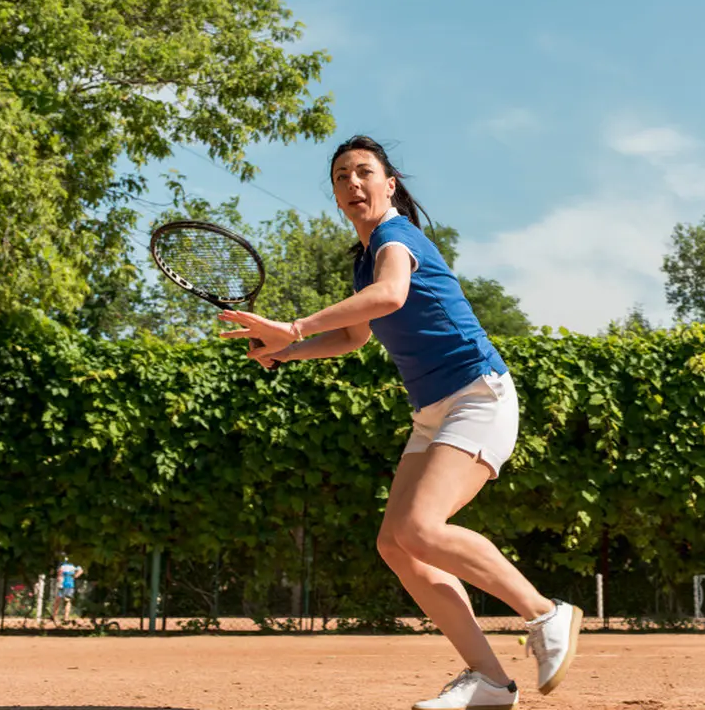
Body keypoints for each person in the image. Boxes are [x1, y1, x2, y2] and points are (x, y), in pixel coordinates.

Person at [218, 135, 582, 709]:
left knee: (420, 527)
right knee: (398, 544)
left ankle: (545, 612)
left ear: (390, 185)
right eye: (341, 177)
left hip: (476, 394)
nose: (353, 183)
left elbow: (391, 296)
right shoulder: (364, 260)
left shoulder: (395, 237)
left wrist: (293, 325)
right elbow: (355, 335)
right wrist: (283, 352)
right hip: (434, 408)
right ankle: (489, 680)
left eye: (364, 172)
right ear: (336, 196)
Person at [50, 554, 83, 624]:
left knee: (67, 600)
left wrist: (74, 576)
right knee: (58, 599)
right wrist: (59, 576)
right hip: (62, 583)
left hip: (69, 583)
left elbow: (80, 570)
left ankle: (66, 617)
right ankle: (54, 616)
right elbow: (59, 571)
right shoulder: (62, 563)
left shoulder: (75, 564)